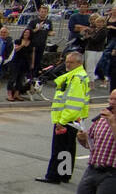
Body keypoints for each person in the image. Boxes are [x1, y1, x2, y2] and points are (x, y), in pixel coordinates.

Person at [37, 51, 89, 184]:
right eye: (66, 61)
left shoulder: (76, 78)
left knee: (59, 148)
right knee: (68, 148)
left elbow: (73, 103)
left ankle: (54, 176)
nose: (67, 64)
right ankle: (64, 174)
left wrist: (62, 121)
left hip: (67, 119)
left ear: (79, 63)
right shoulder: (78, 76)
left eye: (71, 62)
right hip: (73, 119)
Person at [75, 87, 116, 194]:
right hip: (92, 168)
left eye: (115, 100)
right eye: (110, 99)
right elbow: (90, 145)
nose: (111, 103)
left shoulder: (110, 120)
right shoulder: (100, 119)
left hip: (111, 174)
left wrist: (112, 122)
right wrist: (82, 139)